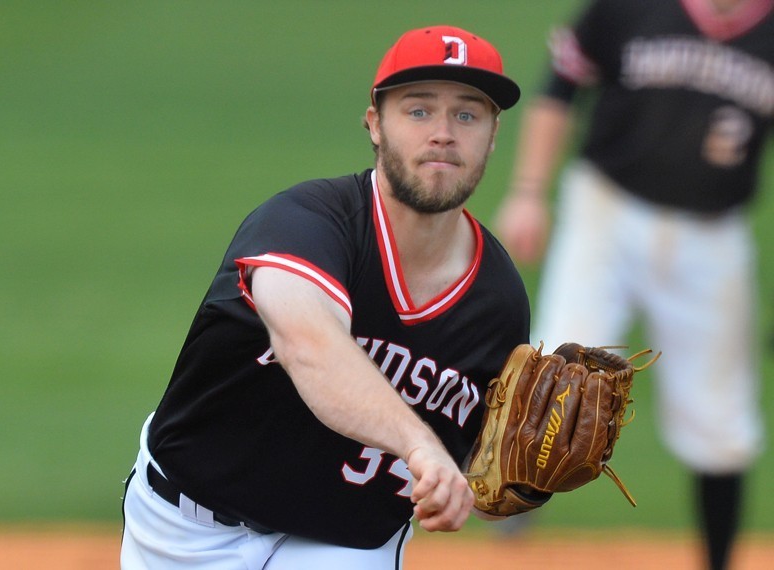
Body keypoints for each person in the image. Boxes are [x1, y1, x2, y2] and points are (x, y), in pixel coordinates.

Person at [120, 25, 530, 569]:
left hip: (345, 544)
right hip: (190, 532)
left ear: (493, 134)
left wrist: (513, 482)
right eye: (418, 110)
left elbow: (476, 470)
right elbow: (309, 345)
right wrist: (419, 443)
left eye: (467, 114)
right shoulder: (306, 222)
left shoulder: (498, 302)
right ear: (374, 125)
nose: (444, 134)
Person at [493, 1, 773, 568]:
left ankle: (719, 560)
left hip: (713, 236)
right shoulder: (629, 6)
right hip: (606, 213)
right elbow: (561, 86)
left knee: (719, 417)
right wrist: (528, 191)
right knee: (560, 370)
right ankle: (510, 516)